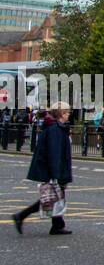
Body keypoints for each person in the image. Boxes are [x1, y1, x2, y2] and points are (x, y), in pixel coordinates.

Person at [12, 101, 73, 236]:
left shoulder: (56, 127)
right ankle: (21, 216)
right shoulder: (54, 129)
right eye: (68, 112)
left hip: (55, 169)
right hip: (53, 170)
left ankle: (57, 225)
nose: (69, 115)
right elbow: (54, 152)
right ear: (62, 114)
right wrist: (56, 173)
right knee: (52, 197)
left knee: (56, 196)